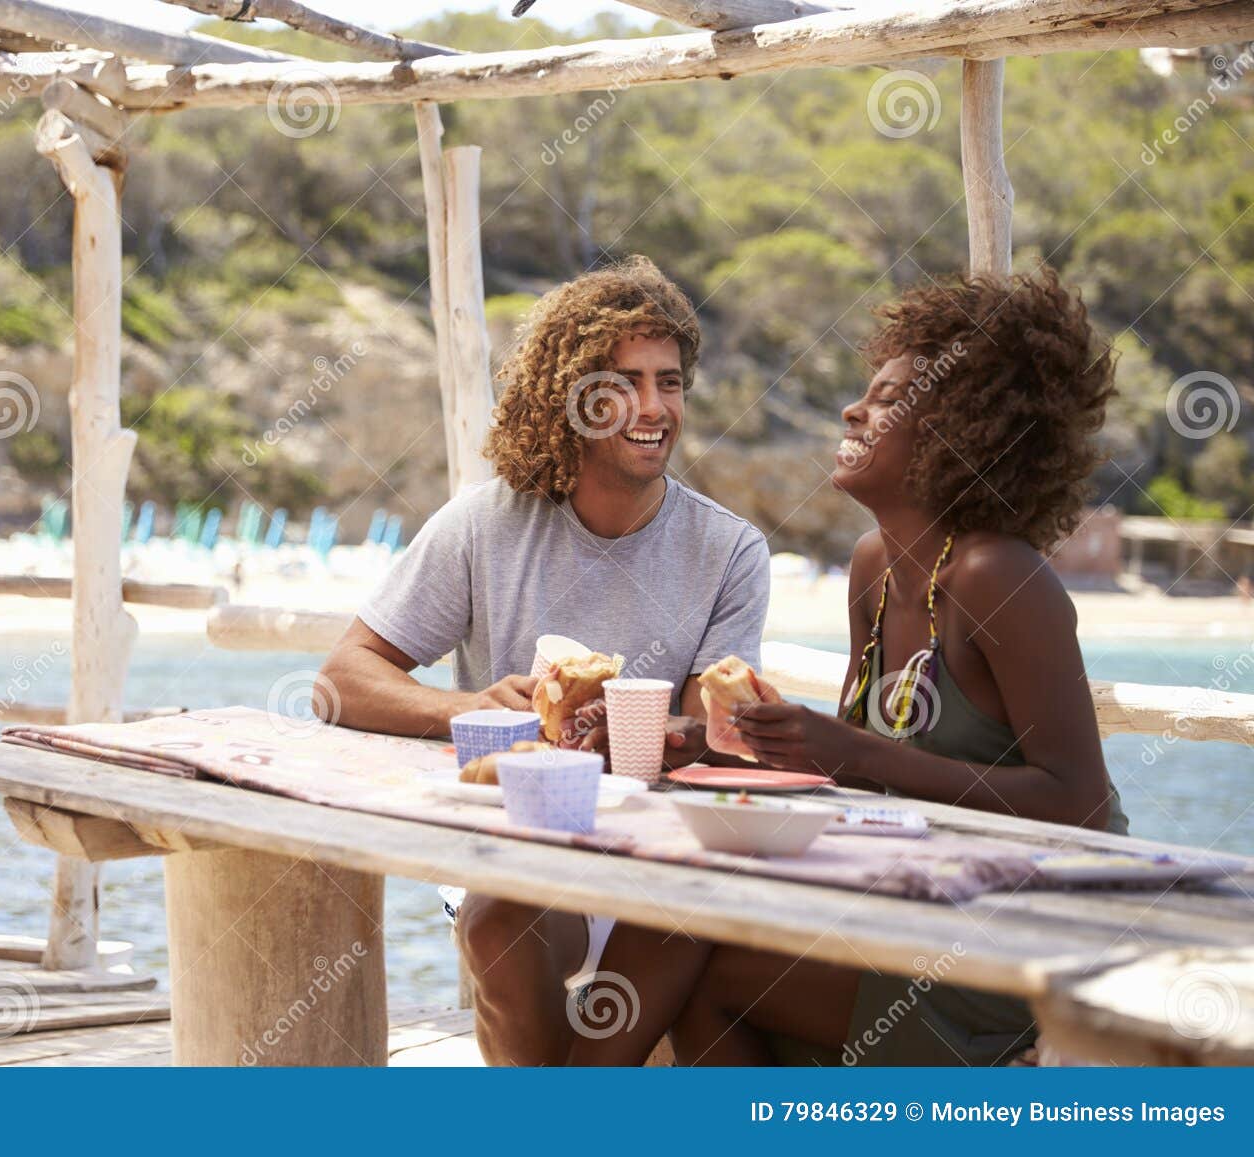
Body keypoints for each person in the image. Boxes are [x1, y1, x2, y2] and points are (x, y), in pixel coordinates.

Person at [568, 267, 1131, 1067]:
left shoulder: (999, 578)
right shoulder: (875, 568)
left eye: (889, 397)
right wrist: (714, 744)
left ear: (959, 431)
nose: (852, 409)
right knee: (680, 920)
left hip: (1016, 939)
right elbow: (848, 782)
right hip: (907, 908)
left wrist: (850, 749)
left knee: (693, 952)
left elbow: (1079, 804)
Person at [317, 256, 770, 1065]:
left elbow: (709, 723)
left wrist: (674, 733)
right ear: (571, 396)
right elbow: (342, 676)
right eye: (624, 381)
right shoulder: (485, 525)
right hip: (517, 843)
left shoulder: (730, 550)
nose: (653, 406)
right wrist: (472, 710)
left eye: (669, 381)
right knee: (500, 921)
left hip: (661, 855)